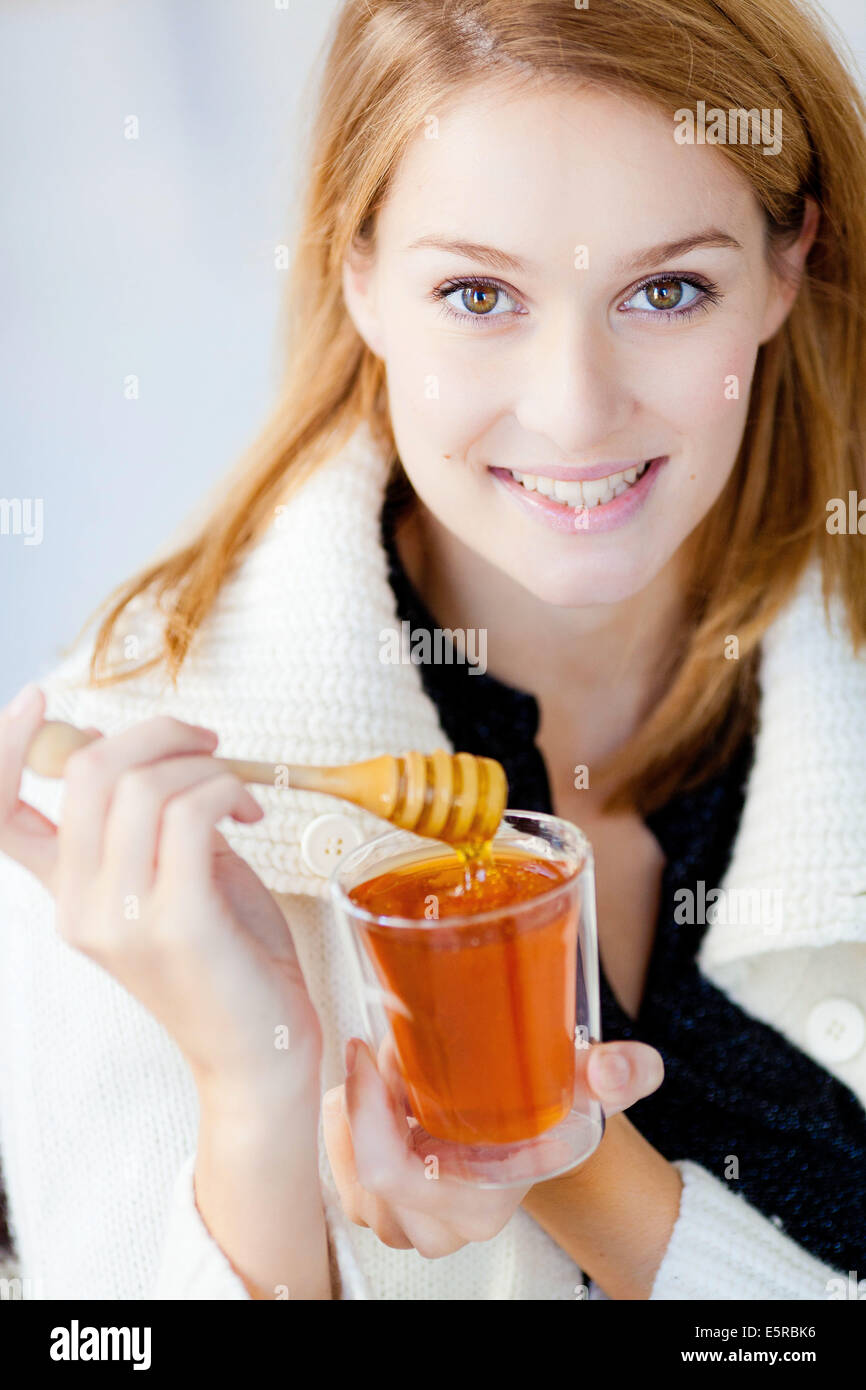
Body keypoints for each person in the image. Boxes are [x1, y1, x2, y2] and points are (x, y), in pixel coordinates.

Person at [1, 0, 865, 1301]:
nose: (573, 407)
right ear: (354, 271)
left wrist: (594, 1191)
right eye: (478, 293)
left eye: (666, 288)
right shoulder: (126, 768)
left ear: (784, 264)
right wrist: (253, 1096)